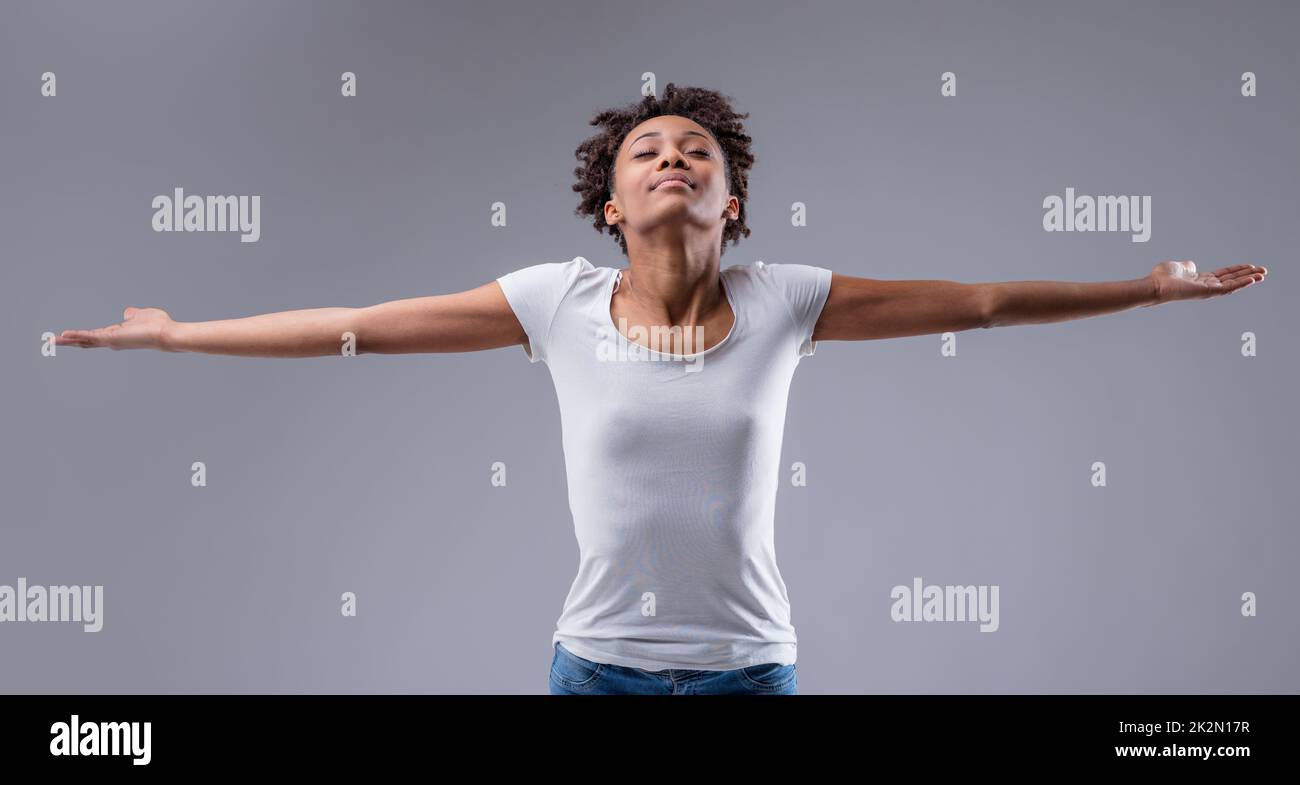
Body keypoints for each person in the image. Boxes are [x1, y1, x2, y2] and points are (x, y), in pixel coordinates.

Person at [56, 84, 1268, 695]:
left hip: (752, 668)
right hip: (593, 667)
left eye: (701, 151)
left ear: (730, 199)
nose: (675, 157)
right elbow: (357, 330)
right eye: (649, 151)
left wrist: (1145, 287)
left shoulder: (792, 298)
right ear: (610, 202)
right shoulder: (555, 304)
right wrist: (177, 333)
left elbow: (988, 303)